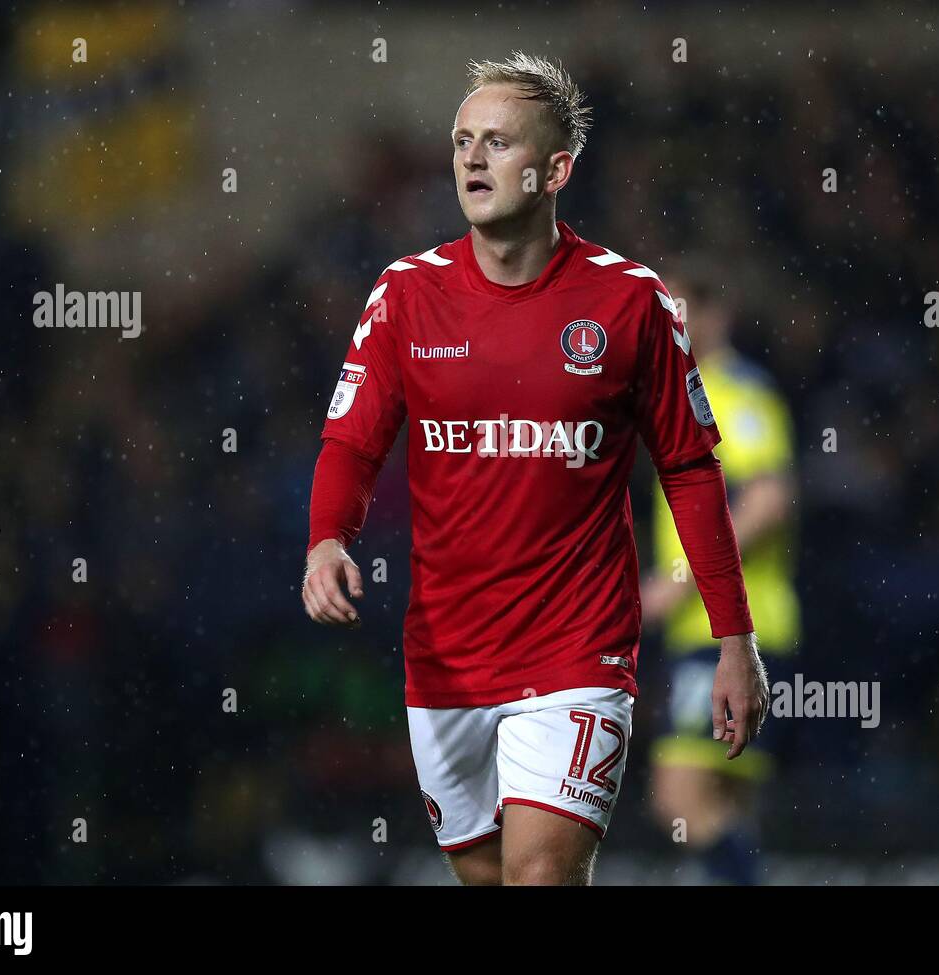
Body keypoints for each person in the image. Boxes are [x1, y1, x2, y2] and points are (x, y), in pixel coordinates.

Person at [302, 52, 769, 886]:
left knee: (541, 879)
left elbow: (691, 473)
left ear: (555, 169)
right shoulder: (406, 296)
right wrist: (326, 540)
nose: (473, 160)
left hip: (576, 654)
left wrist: (735, 639)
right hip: (445, 656)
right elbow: (351, 442)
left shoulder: (630, 303)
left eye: (498, 142)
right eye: (461, 141)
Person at [641, 266, 800, 885]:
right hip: (718, 632)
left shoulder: (737, 393)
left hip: (730, 633)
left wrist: (677, 583)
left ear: (712, 314)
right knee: (726, 805)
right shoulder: (685, 389)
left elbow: (768, 501)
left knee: (677, 797)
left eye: (675, 310)